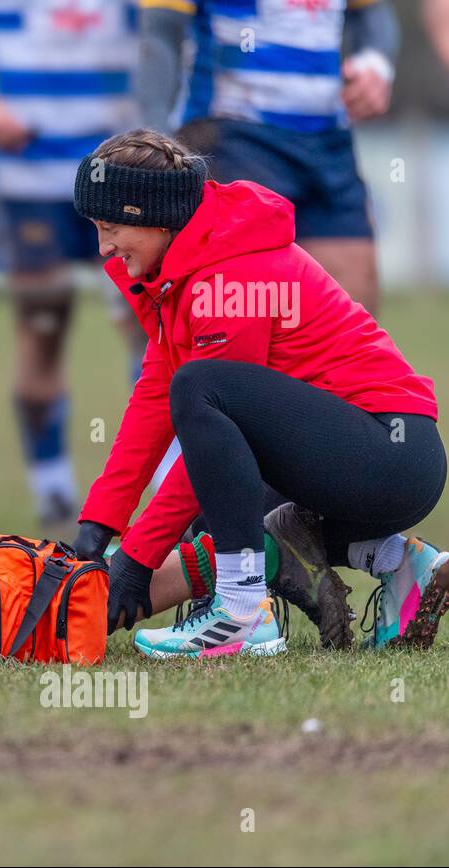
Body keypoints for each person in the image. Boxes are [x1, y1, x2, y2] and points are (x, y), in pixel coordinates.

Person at [68, 129, 448, 659]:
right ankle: (397, 562)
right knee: (212, 500)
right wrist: (100, 524)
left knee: (201, 396)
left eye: (111, 227)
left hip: (389, 455)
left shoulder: (231, 274)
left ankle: (242, 611)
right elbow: (155, 396)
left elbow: (208, 410)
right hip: (373, 457)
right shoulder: (181, 267)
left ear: (157, 216)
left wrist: (137, 557)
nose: (103, 246)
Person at [0, 0, 145, 537]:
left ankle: (163, 486)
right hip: (29, 178)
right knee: (43, 328)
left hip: (122, 174)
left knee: (147, 326)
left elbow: (170, 31)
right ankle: (52, 487)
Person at [136, 0, 399, 316]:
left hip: (328, 140)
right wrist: (157, 142)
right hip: (233, 136)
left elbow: (372, 12)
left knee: (352, 317)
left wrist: (376, 64)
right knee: (243, 317)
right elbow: (161, 32)